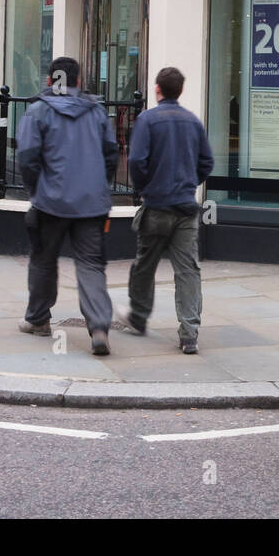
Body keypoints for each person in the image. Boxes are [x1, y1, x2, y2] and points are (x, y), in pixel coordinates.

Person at [16, 57, 119, 356]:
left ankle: (38, 319)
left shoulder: (38, 112)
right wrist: (100, 184)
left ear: (50, 81)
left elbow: (28, 159)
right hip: (92, 204)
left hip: (51, 202)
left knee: (44, 260)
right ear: (78, 81)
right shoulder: (97, 112)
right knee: (90, 265)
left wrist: (36, 190)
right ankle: (99, 327)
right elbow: (111, 154)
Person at [125, 67, 214, 353]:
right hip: (186, 208)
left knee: (144, 265)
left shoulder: (147, 120)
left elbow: (137, 161)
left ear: (156, 89)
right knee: (188, 270)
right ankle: (189, 334)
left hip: (156, 206)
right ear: (180, 90)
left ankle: (138, 317)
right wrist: (189, 181)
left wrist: (146, 186)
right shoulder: (193, 122)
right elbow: (207, 162)